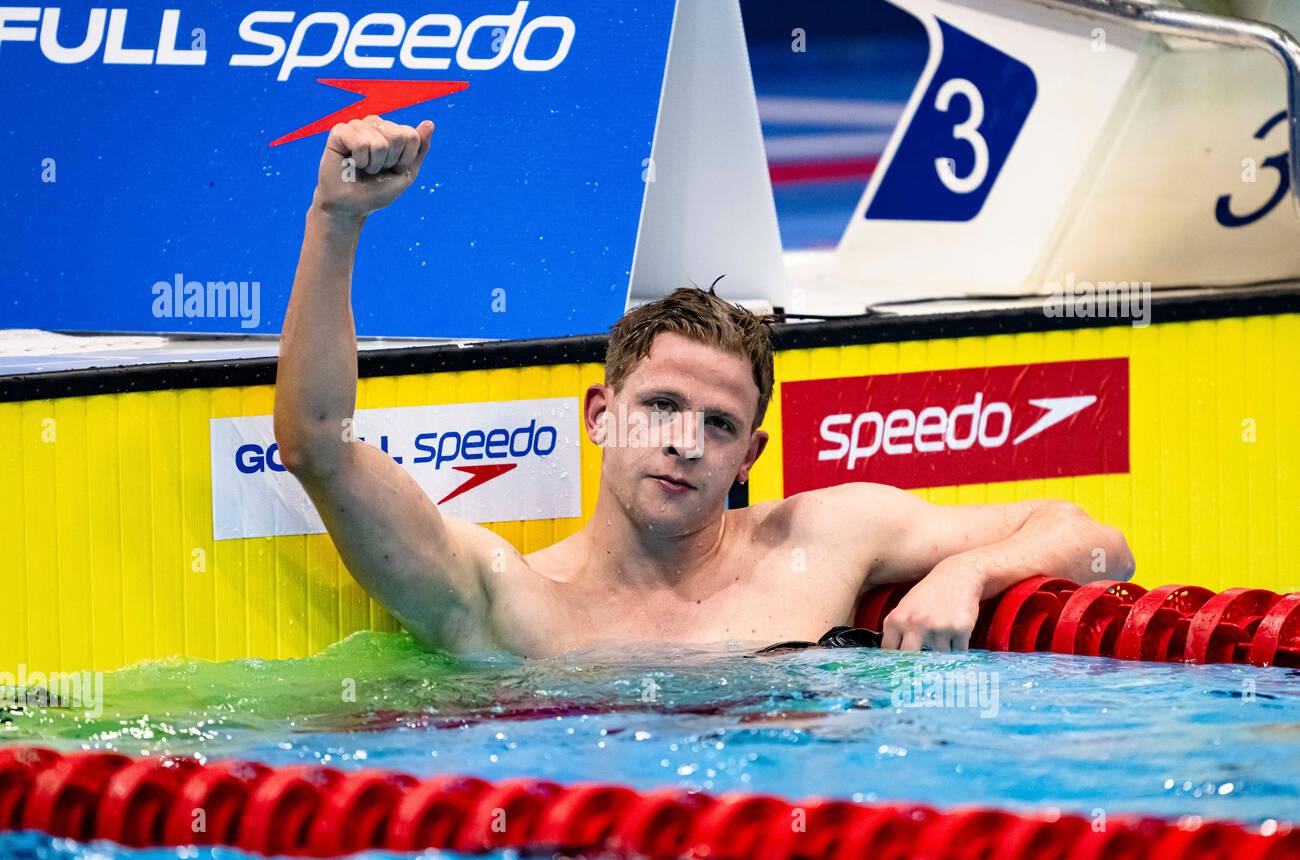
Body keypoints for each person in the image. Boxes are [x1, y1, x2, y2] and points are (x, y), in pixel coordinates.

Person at [273, 115, 1135, 658]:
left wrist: (969, 576)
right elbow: (317, 443)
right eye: (660, 407)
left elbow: (1096, 542)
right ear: (601, 416)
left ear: (750, 453)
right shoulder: (504, 597)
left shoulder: (824, 538)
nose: (686, 439)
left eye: (719, 425)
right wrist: (335, 220)